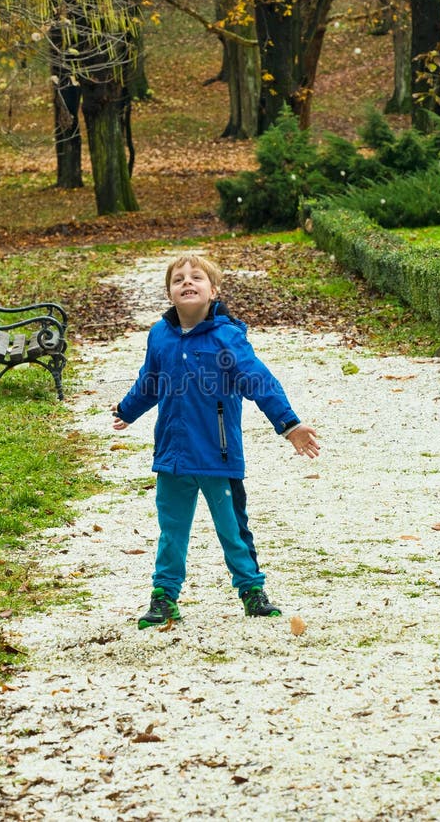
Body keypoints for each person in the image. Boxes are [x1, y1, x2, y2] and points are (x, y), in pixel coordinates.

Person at [111, 254, 319, 629]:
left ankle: (252, 591)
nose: (187, 282)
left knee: (232, 530)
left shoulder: (228, 338)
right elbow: (150, 381)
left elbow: (259, 381)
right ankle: (164, 597)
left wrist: (289, 424)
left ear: (213, 290)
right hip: (172, 457)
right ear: (170, 293)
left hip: (218, 458)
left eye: (196, 277)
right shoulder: (159, 336)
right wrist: (128, 409)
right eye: (178, 279)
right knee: (171, 531)